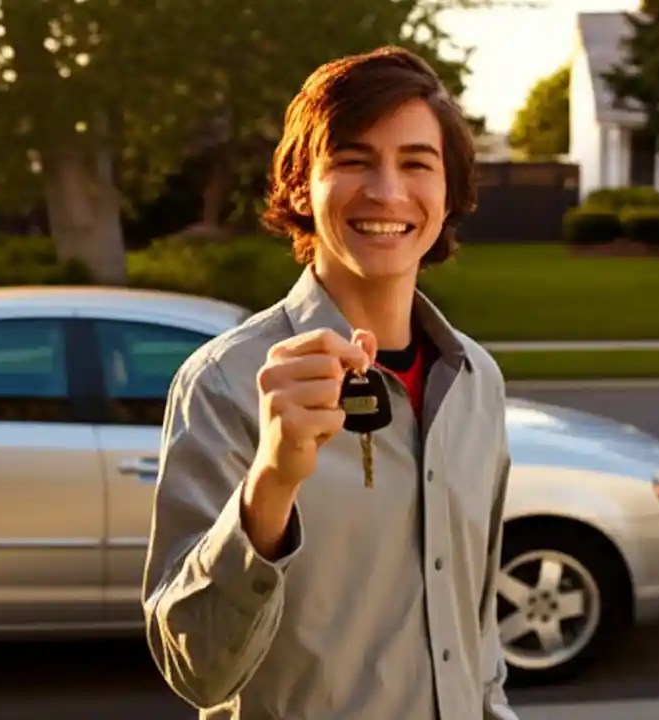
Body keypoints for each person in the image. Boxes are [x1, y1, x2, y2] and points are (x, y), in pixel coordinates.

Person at [142, 45, 518, 720]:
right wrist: (272, 481)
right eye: (352, 160)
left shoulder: (475, 380)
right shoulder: (226, 384)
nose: (387, 192)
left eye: (416, 164)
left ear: (449, 192)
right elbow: (197, 672)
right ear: (299, 187)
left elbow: (477, 638)